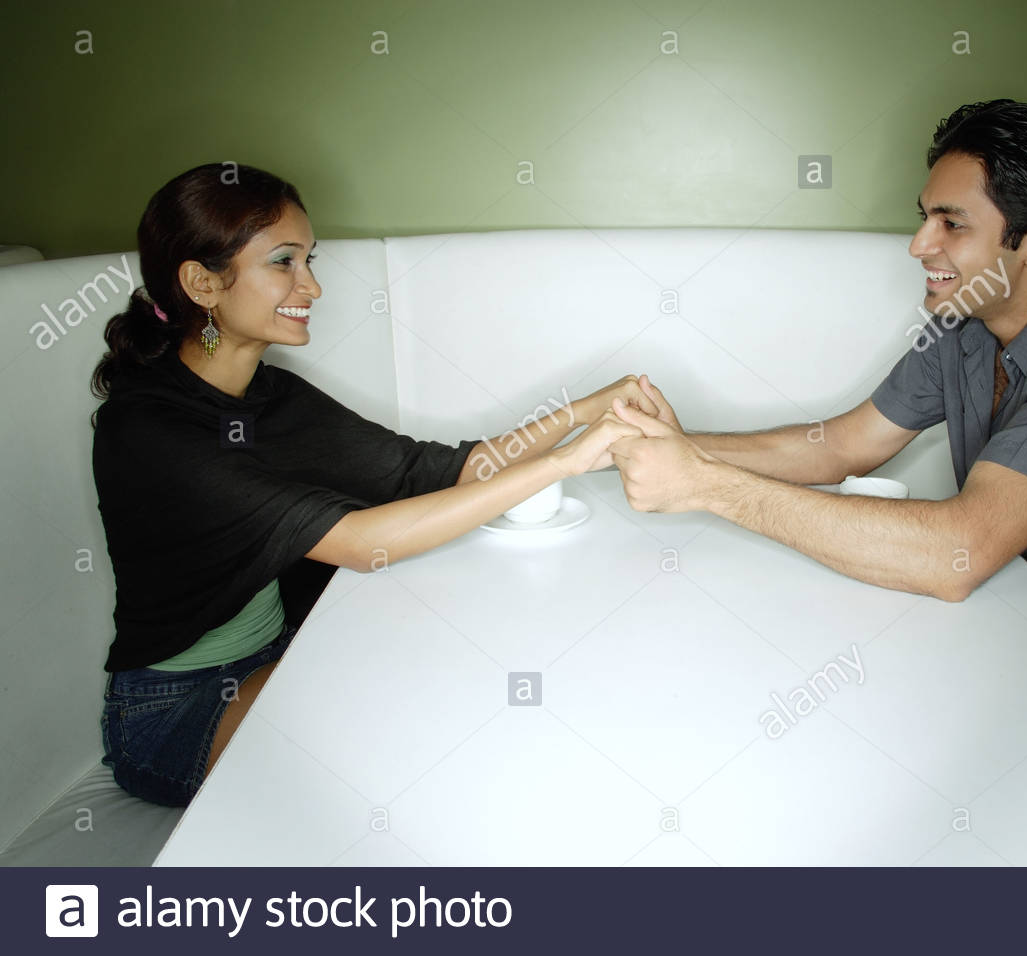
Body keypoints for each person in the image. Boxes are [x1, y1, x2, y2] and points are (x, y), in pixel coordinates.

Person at [609, 100, 1027, 787]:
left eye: (951, 224)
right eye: (925, 215)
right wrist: (676, 445)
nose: (918, 244)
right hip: (1010, 633)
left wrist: (705, 487)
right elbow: (842, 445)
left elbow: (956, 553)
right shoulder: (968, 323)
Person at [92, 163, 649, 807]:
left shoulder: (269, 394)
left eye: (310, 260)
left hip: (276, 652)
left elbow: (439, 471)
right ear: (202, 282)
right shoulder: (149, 429)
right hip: (176, 713)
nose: (314, 286)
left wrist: (586, 411)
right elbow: (358, 542)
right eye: (284, 262)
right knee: (405, 742)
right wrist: (565, 464)